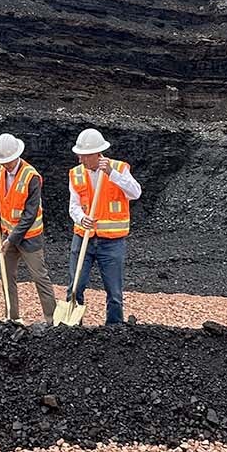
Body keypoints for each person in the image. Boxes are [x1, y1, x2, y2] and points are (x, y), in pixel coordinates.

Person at [67, 128, 142, 326]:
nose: (80, 160)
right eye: (79, 156)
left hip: (112, 242)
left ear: (96, 154)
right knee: (75, 287)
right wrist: (82, 218)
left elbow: (135, 192)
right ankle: (72, 330)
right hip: (83, 237)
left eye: (83, 156)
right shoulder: (76, 174)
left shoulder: (118, 168)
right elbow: (73, 206)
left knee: (114, 292)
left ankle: (114, 330)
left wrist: (112, 174)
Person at [0, 133, 56, 325]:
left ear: (17, 156)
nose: (6, 164)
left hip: (29, 236)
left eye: (9, 161)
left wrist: (12, 239)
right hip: (6, 232)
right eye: (3, 161)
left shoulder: (31, 177)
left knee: (39, 276)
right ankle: (12, 317)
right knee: (6, 275)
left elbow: (30, 214)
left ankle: (52, 320)